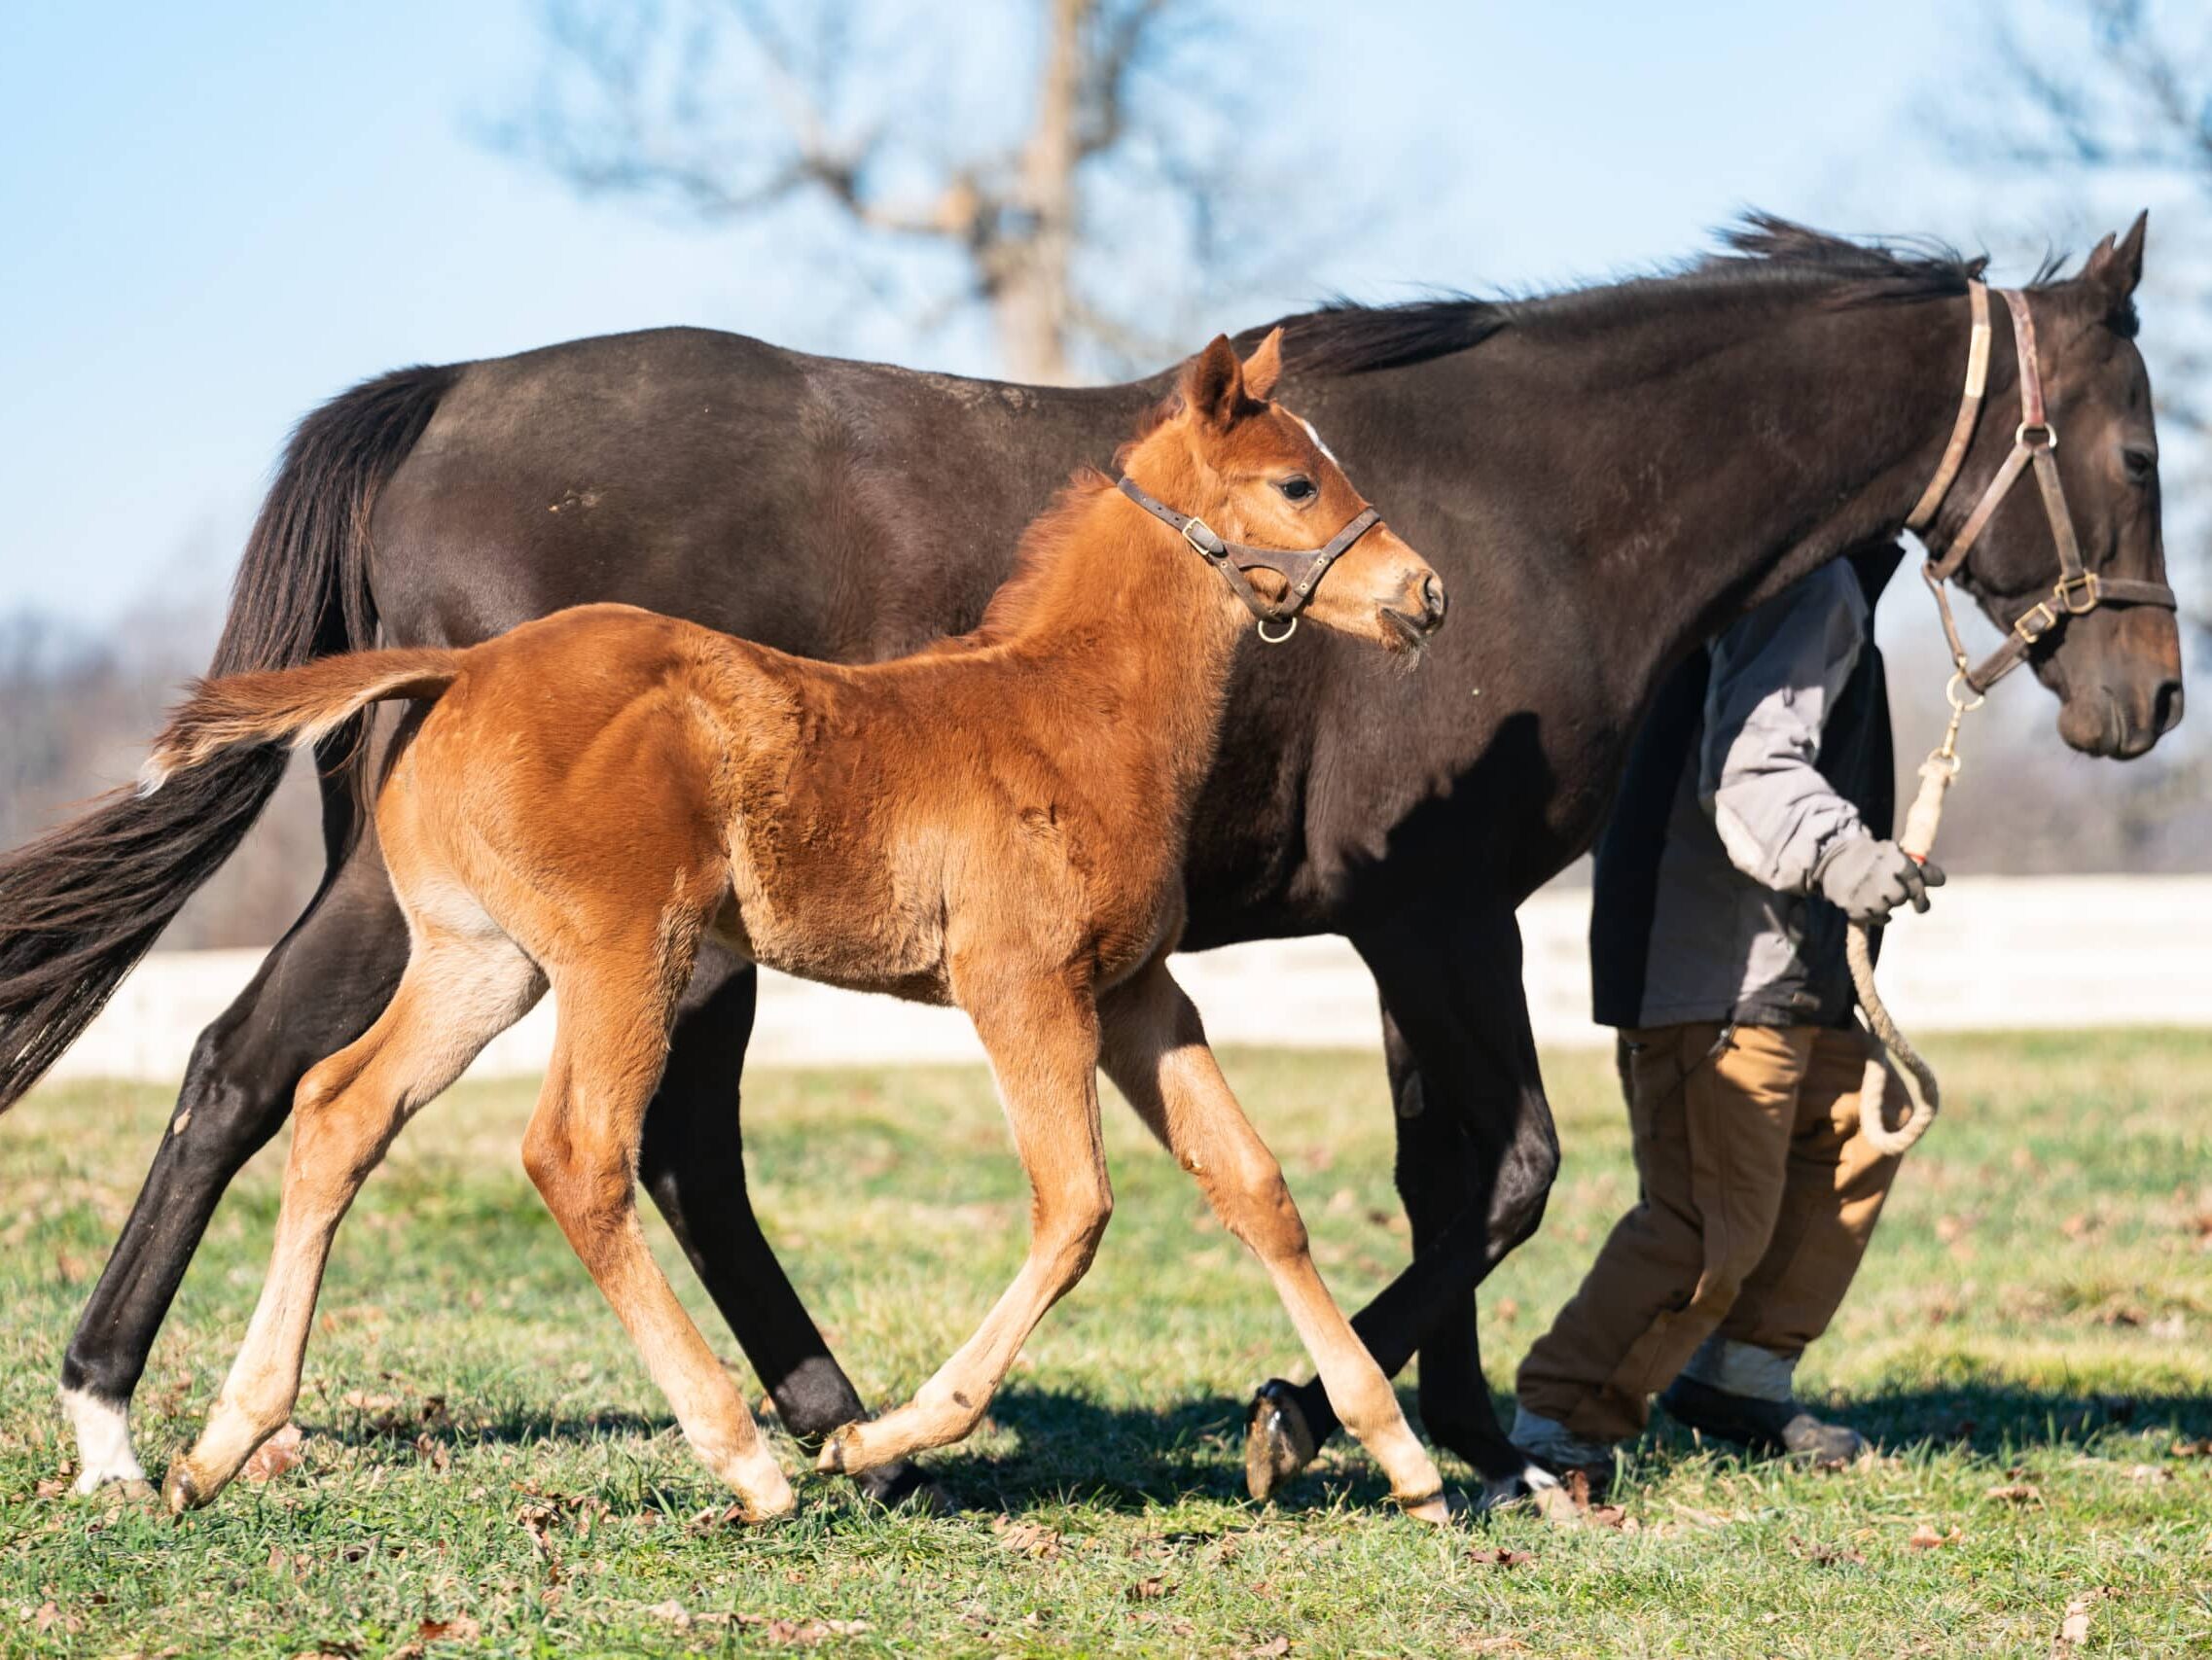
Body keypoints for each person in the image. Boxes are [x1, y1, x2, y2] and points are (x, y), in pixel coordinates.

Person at [1512, 546, 1939, 1484]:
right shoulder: (1798, 572)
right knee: (1708, 1223)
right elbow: (1748, 776)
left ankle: (1741, 1380)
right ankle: (1555, 1419)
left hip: (1796, 958)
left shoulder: (1829, 569)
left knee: (1851, 1144)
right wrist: (1843, 856)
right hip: (1711, 964)